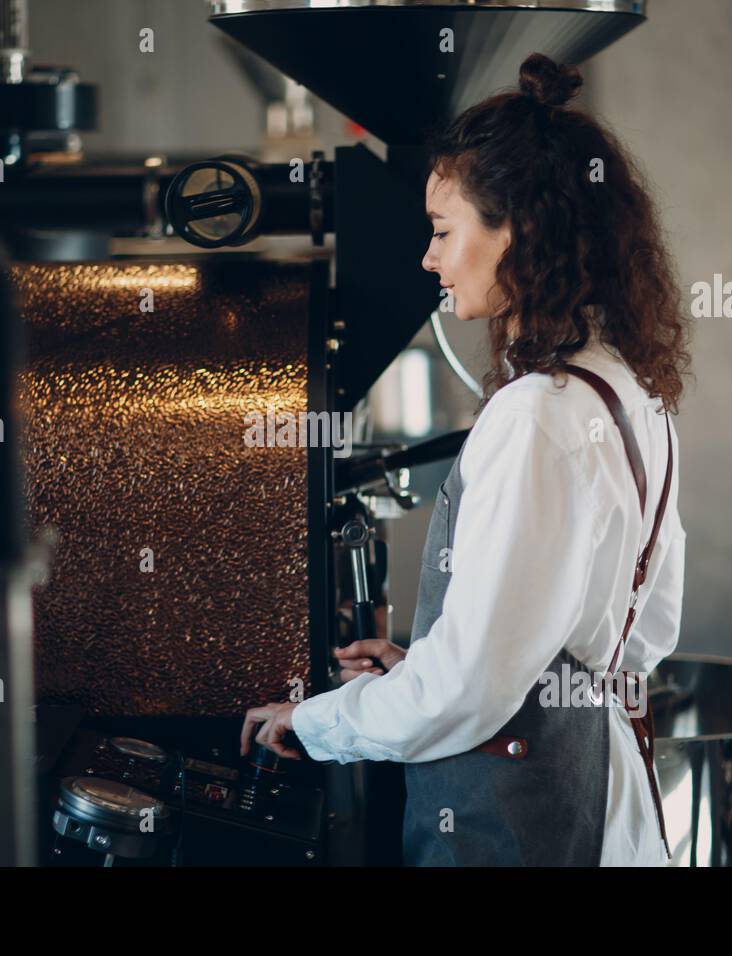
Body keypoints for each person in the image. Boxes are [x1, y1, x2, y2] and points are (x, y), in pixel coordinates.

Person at [240, 52, 691, 866]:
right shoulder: (631, 393)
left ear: (516, 230)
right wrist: (431, 662)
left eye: (444, 231)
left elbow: (471, 692)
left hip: (513, 823)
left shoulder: (535, 418)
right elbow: (640, 635)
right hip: (595, 791)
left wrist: (315, 723)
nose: (429, 259)